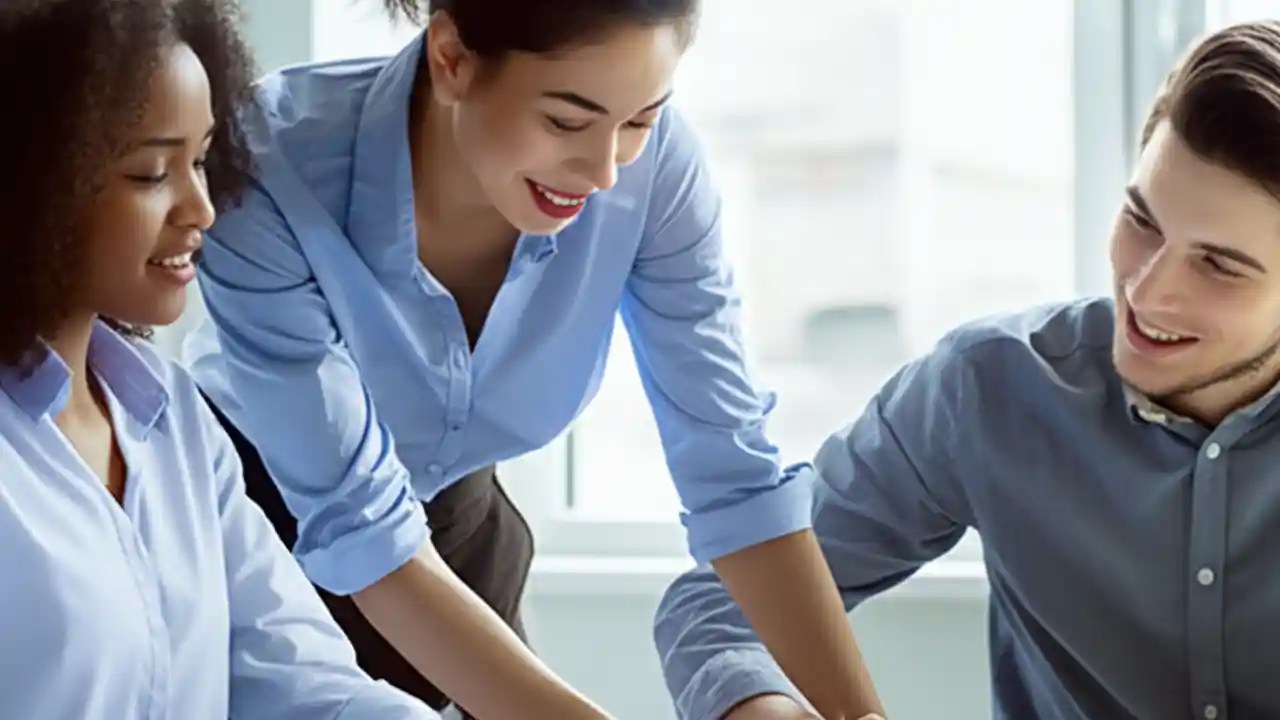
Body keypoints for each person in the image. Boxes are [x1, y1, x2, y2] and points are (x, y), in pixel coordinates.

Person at [184, 0, 882, 717]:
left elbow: (736, 481)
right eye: (567, 122)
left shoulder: (657, 174)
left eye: (640, 120)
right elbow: (357, 523)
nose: (606, 171)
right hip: (254, 540)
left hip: (459, 551)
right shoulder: (272, 157)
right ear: (451, 57)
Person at [653, 18, 1280, 720]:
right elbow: (723, 600)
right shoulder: (990, 388)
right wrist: (765, 710)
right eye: (1144, 221)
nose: (1148, 288)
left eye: (1219, 265)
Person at [0, 1, 441, 718]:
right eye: (151, 173)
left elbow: (303, 681)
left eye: (200, 160)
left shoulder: (172, 418)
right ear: (29, 180)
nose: (201, 208)